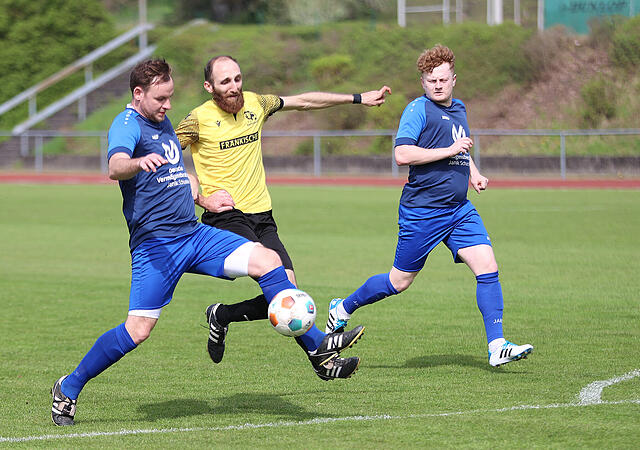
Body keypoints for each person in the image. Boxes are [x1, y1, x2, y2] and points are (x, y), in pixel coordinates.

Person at [50, 59, 365, 426]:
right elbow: (115, 166)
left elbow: (175, 170)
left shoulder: (161, 121)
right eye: (160, 98)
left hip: (194, 234)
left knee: (268, 261)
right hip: (157, 248)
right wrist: (138, 163)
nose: (168, 105)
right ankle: (68, 388)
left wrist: (203, 200)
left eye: (169, 97)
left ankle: (318, 348)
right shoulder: (126, 125)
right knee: (138, 330)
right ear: (138, 95)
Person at [174, 55, 391, 380]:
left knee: (287, 289)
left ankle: (223, 314)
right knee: (283, 290)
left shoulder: (256, 104)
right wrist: (201, 197)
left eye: (237, 78)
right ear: (209, 87)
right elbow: (162, 160)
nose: (234, 87)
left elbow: (303, 101)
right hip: (226, 217)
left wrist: (358, 98)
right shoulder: (197, 120)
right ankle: (323, 353)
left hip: (262, 215)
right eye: (225, 82)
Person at [324, 45, 533, 367]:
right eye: (431, 80)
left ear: (454, 80)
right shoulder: (417, 110)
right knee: (399, 282)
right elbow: (402, 155)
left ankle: (497, 345)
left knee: (488, 267)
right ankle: (342, 308)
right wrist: (450, 151)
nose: (437, 85)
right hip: (423, 211)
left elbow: (460, 146)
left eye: (443, 79)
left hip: (459, 209)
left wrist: (474, 173)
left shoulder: (459, 108)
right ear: (423, 81)